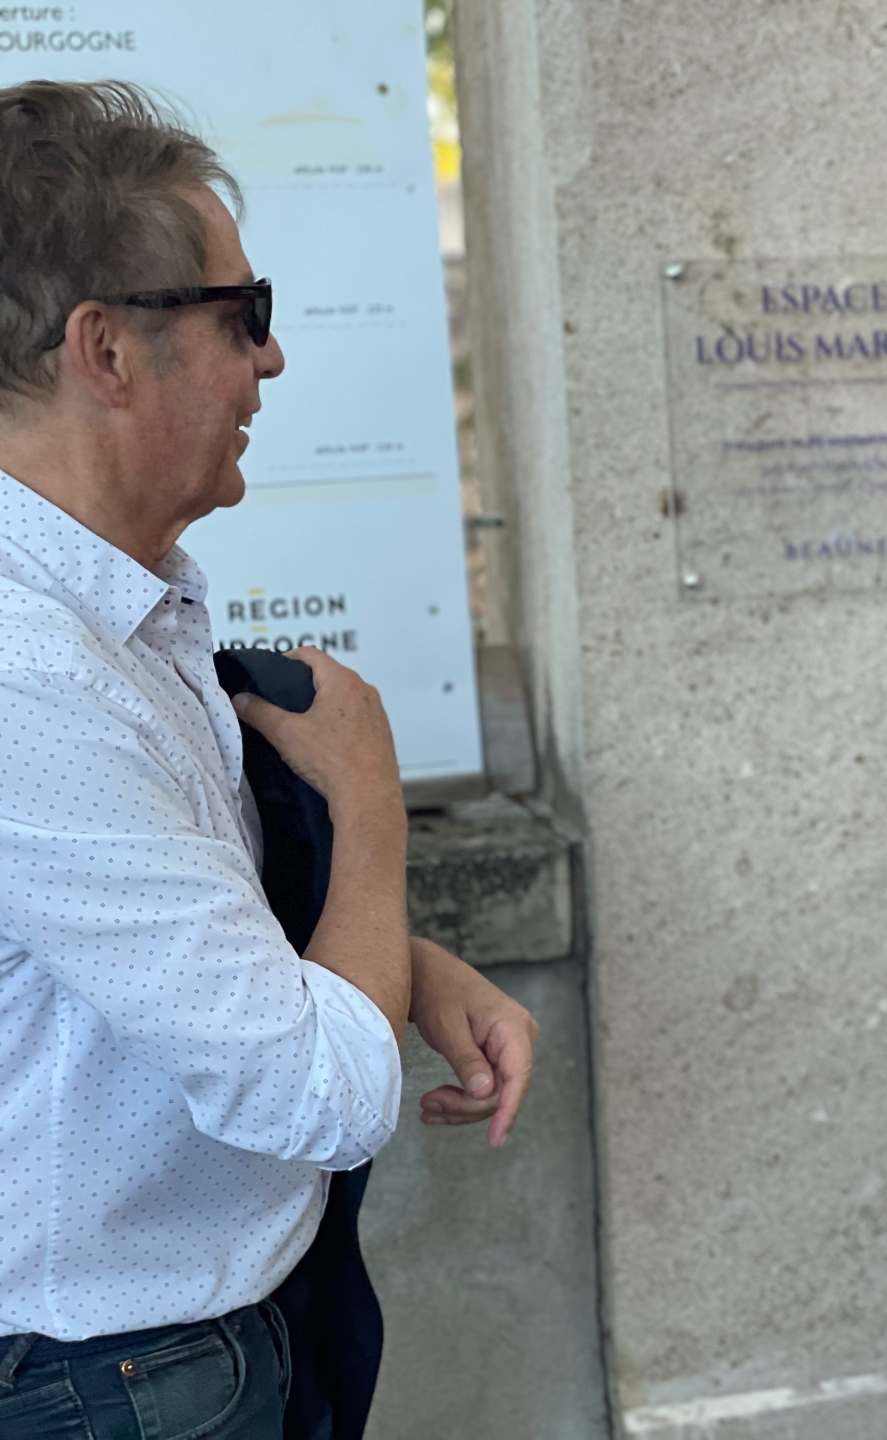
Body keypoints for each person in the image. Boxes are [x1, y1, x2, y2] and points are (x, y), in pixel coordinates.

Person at [0, 80, 538, 1438]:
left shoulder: (112, 601)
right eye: (245, 317)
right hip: (110, 1382)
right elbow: (320, 1092)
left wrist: (407, 968)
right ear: (106, 351)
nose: (272, 360)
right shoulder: (30, 669)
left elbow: (164, 939)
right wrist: (367, 801)